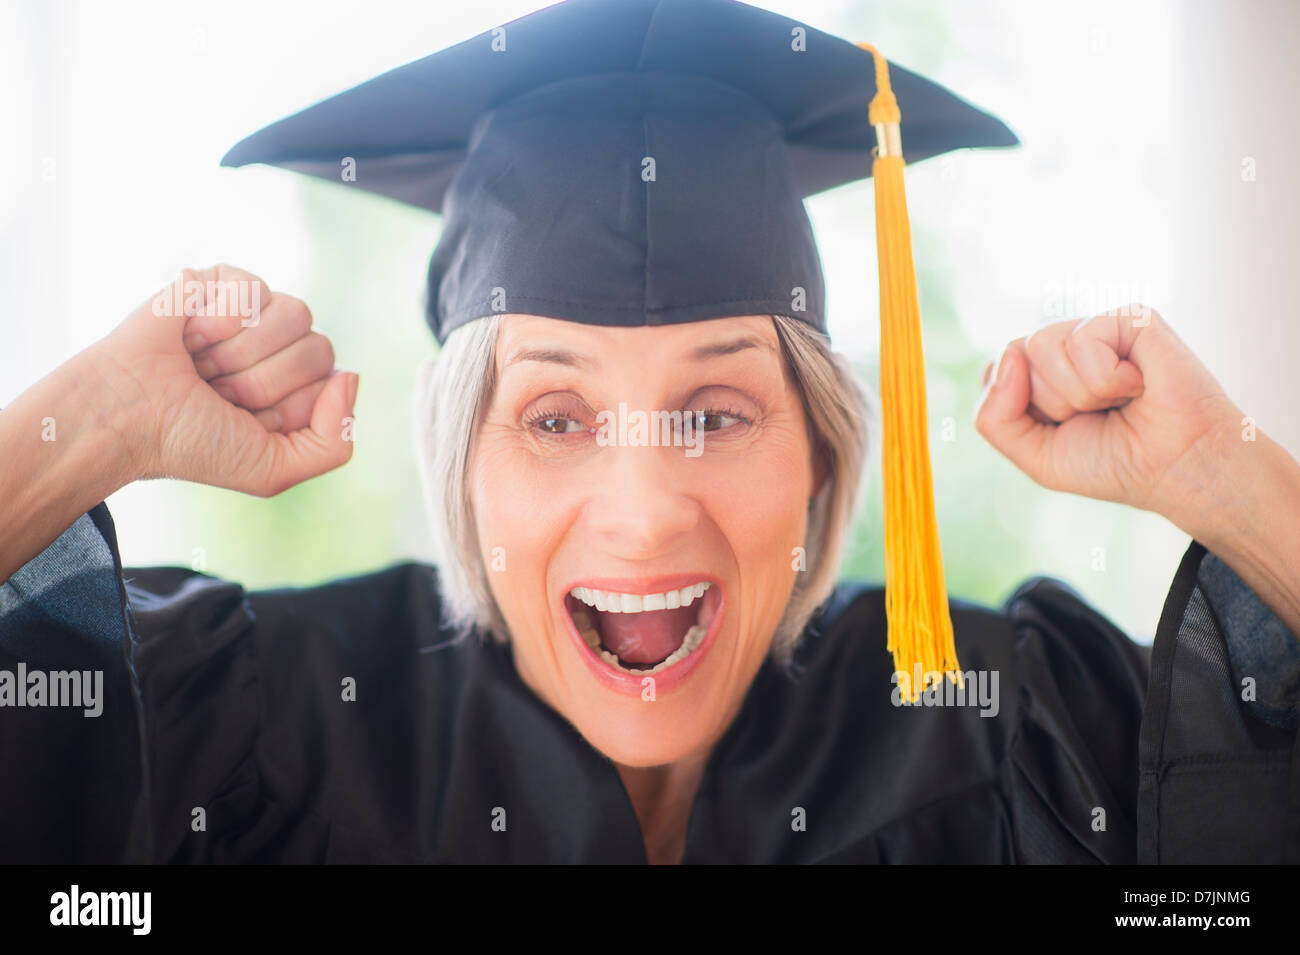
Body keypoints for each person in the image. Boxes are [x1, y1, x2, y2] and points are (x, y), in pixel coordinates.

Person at [2, 0, 1299, 865]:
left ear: (822, 459)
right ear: (465, 469)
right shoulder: (256, 728)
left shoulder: (1012, 733)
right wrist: (86, 432)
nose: (641, 510)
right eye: (555, 414)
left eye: (716, 411)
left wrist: (1231, 482)